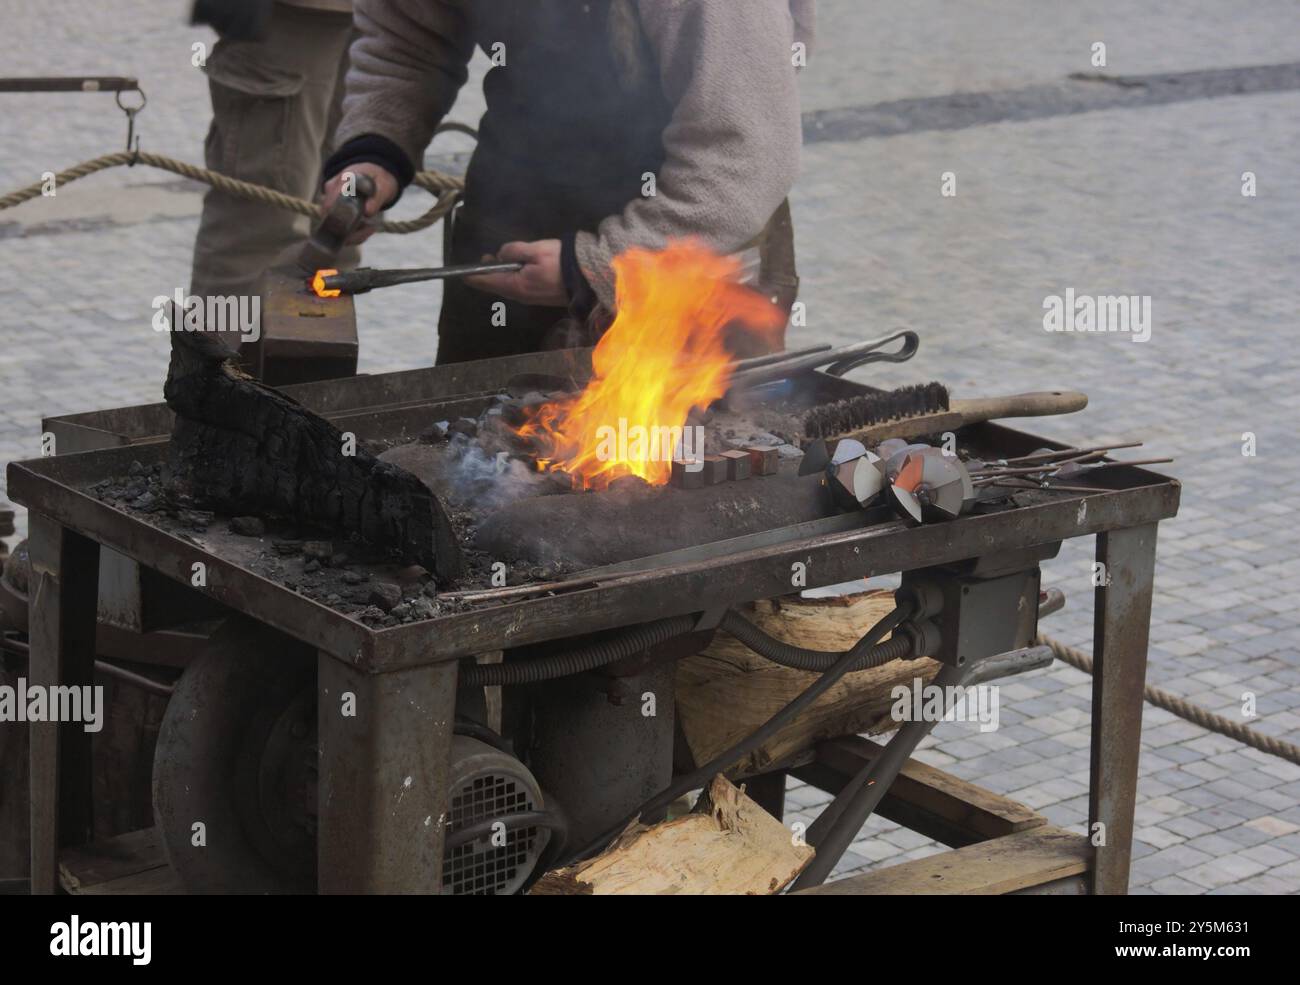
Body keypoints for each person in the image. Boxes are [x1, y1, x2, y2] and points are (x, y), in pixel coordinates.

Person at [321, 0, 813, 363]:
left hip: (688, 246)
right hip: (511, 212)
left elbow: (743, 152)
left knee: (675, 480)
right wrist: (376, 150)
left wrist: (599, 268)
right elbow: (407, 41)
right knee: (468, 463)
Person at [189, 0, 361, 302]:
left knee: (342, 231)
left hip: (388, 19)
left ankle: (312, 348)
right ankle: (222, 349)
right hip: (290, 14)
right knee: (257, 231)